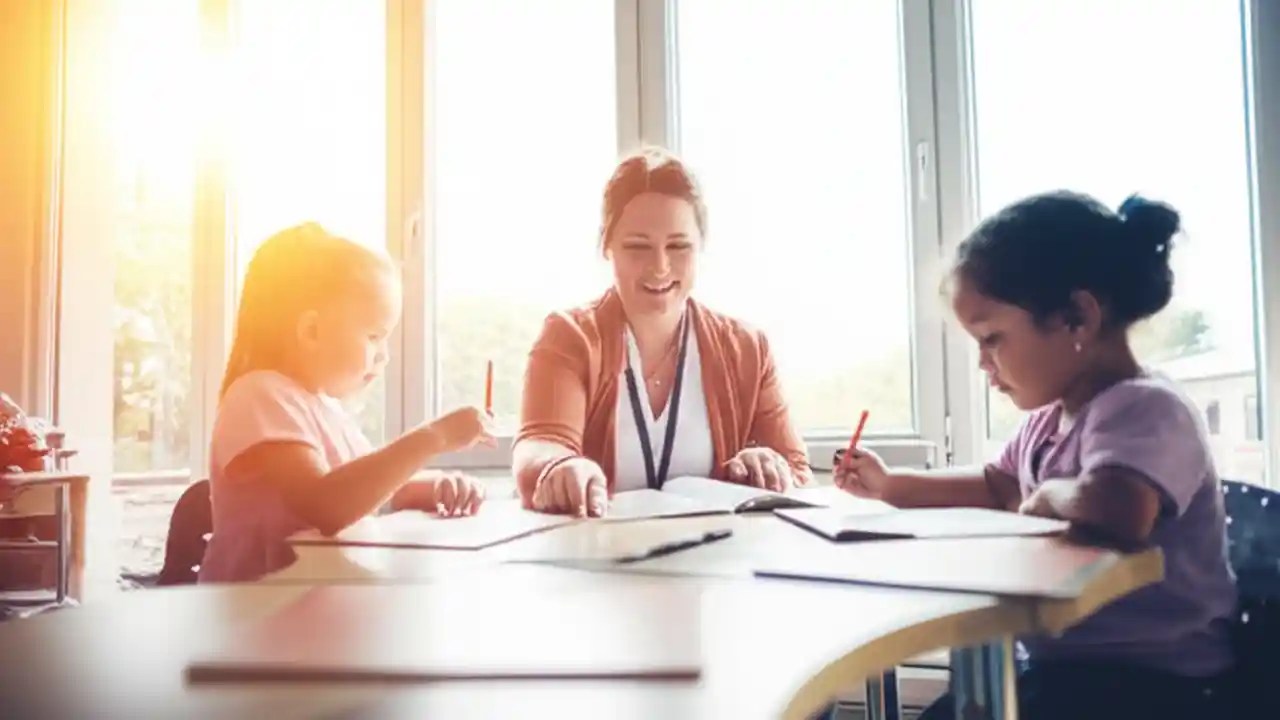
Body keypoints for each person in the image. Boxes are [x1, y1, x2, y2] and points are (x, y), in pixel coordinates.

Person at [837, 191, 1237, 719]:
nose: (983, 363)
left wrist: (1049, 494)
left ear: (1077, 317)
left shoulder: (1146, 407)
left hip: (1157, 685)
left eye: (992, 338)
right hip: (1070, 670)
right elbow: (999, 485)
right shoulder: (1051, 419)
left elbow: (1120, 510)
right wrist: (891, 486)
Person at [514, 148, 812, 517]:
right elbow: (540, 444)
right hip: (599, 564)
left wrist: (770, 468)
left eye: (678, 246)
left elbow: (798, 473)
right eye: (638, 247)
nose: (659, 267)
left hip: (715, 565)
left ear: (700, 245)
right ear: (607, 246)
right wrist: (556, 468)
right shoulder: (570, 335)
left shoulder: (749, 349)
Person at [200, 223, 494, 583]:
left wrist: (433, 487)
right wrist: (434, 437)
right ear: (311, 331)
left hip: (312, 612)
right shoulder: (258, 395)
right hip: (259, 619)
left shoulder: (325, 407)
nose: (383, 356)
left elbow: (373, 492)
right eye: (374, 336)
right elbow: (326, 504)